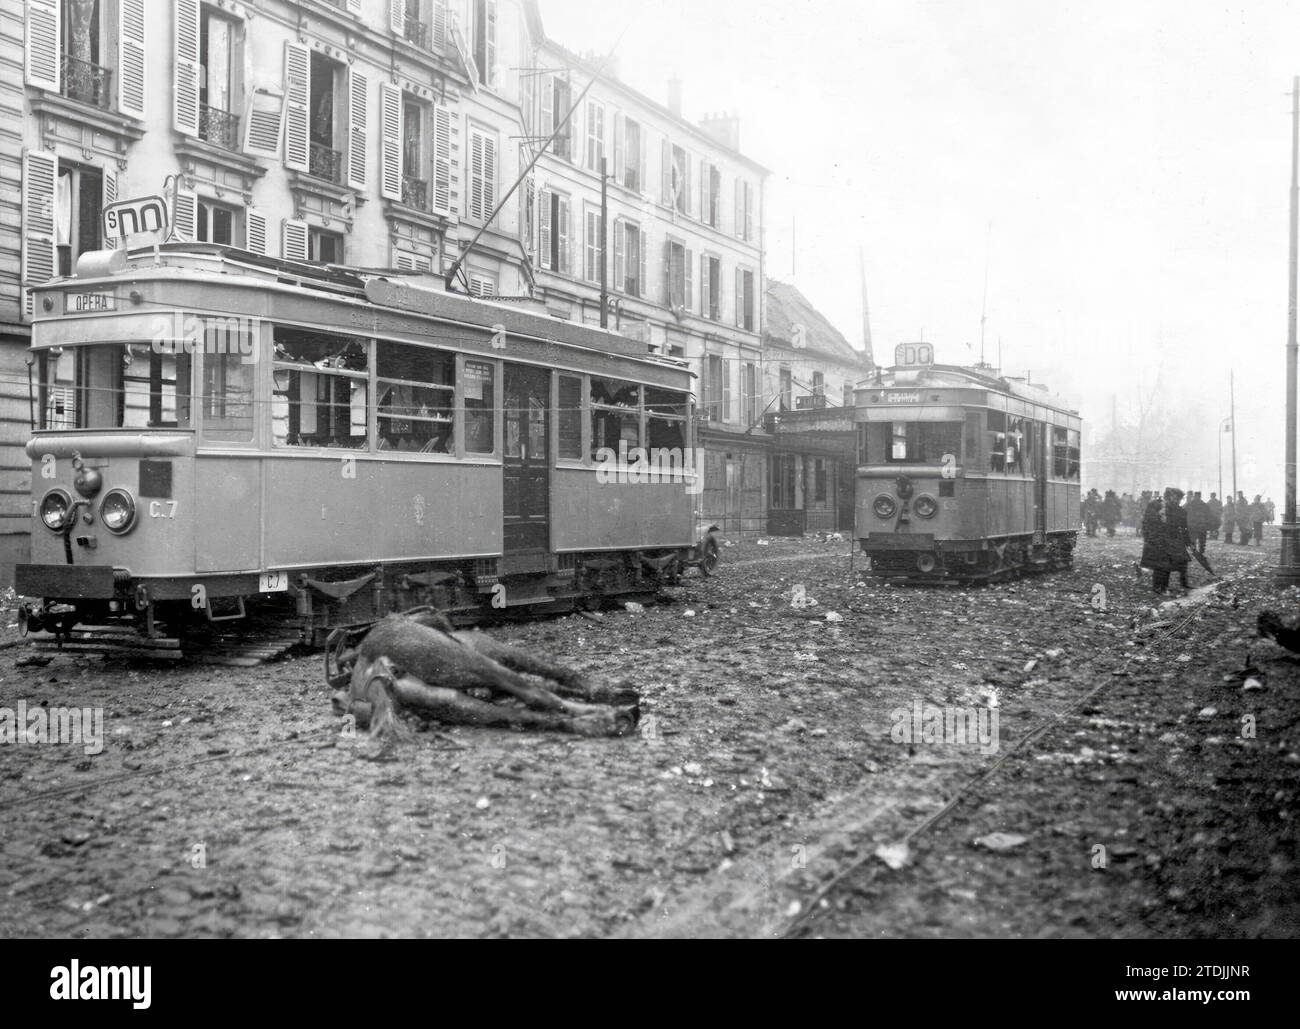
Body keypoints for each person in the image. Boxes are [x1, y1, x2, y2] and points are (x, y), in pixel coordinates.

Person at [1140, 495, 1169, 592]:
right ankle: (1159, 586)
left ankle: (1160, 586)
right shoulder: (1155, 518)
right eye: (1162, 507)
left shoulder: (1151, 516)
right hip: (1157, 544)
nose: (1163, 508)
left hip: (1156, 544)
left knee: (1160, 566)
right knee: (1160, 566)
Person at [1164, 488, 1191, 589]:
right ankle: (1164, 585)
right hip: (1165, 539)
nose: (1177, 500)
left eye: (1179, 499)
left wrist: (1187, 541)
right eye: (1175, 498)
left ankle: (1184, 583)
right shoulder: (1163, 509)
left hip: (1177, 539)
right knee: (1166, 562)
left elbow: (1184, 527)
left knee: (1183, 561)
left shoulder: (1181, 511)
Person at [1185, 490, 1208, 555]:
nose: (1197, 498)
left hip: (1197, 524)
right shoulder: (1203, 504)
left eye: (1198, 496)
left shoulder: (1191, 504)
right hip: (1197, 524)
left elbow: (1208, 514)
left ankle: (1199, 550)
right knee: (1196, 538)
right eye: (1196, 496)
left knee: (1199, 538)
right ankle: (1198, 550)